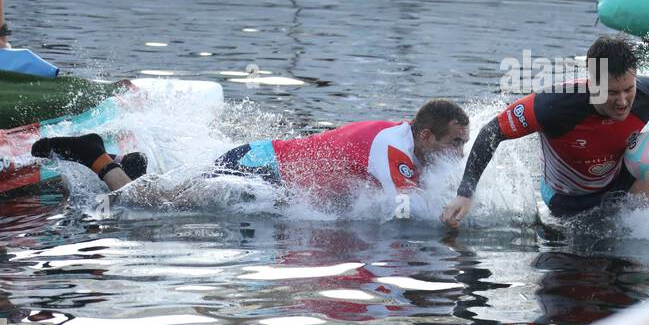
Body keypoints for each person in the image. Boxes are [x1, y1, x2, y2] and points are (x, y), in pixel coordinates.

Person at [32, 100, 472, 221]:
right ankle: (95, 156)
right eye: (455, 143)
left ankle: (134, 169)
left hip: (269, 171)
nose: (460, 153)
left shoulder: (415, 145)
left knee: (171, 193)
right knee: (154, 206)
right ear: (426, 135)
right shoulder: (393, 147)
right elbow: (411, 212)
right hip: (262, 169)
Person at [441, 36, 649, 228]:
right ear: (591, 83)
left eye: (628, 89)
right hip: (567, 200)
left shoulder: (648, 94)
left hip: (622, 182)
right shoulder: (553, 106)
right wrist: (465, 193)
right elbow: (492, 131)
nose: (623, 101)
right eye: (612, 92)